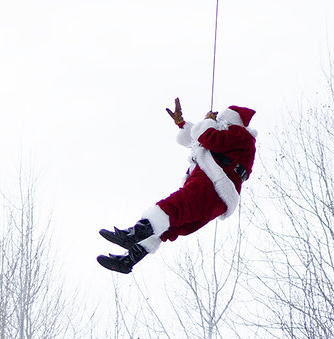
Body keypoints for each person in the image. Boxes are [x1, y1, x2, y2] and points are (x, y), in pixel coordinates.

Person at [97, 98, 258, 274]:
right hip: (216, 196)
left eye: (221, 120)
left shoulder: (241, 135)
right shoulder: (229, 141)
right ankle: (129, 260)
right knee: (170, 226)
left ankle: (134, 235)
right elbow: (196, 139)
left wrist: (208, 121)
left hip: (212, 186)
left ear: (229, 121)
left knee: (172, 207)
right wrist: (182, 124)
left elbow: (208, 137)